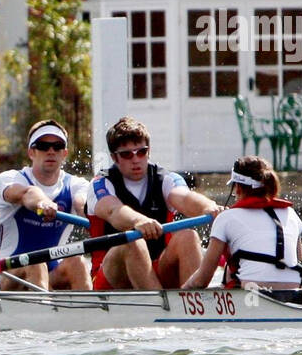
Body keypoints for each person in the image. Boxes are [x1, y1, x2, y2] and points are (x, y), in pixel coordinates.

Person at [87, 117, 222, 290]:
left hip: (157, 268)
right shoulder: (101, 183)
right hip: (109, 276)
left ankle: (192, 305)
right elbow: (113, 211)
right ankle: (160, 306)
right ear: (114, 157)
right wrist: (138, 221)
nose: (136, 160)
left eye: (141, 152)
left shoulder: (166, 179)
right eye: (127, 154)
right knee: (133, 240)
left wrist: (209, 207)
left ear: (148, 151)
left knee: (188, 237)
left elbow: (184, 198)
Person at [182, 156, 302, 290]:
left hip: (249, 297)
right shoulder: (291, 214)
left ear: (238, 188)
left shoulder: (226, 219)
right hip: (293, 292)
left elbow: (201, 281)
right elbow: (299, 266)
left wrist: (179, 293)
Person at [0, 120, 92, 291]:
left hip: (53, 271)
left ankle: (88, 314)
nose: (51, 151)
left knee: (79, 262)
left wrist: (88, 217)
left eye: (57, 146)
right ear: (31, 152)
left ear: (65, 153)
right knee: (35, 262)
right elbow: (27, 194)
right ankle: (46, 312)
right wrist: (43, 203)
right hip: (8, 274)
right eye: (43, 146)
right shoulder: (10, 178)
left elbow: (81, 202)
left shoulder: (76, 184)